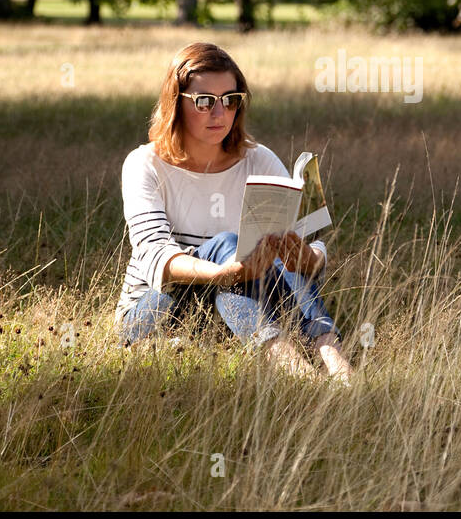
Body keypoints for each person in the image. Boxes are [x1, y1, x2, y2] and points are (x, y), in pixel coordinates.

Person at [114, 41, 355, 385]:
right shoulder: (145, 164)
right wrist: (222, 273)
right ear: (176, 103)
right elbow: (156, 255)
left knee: (280, 246)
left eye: (230, 100)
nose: (219, 112)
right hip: (155, 313)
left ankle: (331, 355)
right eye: (204, 101)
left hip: (234, 311)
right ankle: (296, 372)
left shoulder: (259, 159)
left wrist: (307, 259)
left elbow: (306, 245)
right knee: (228, 244)